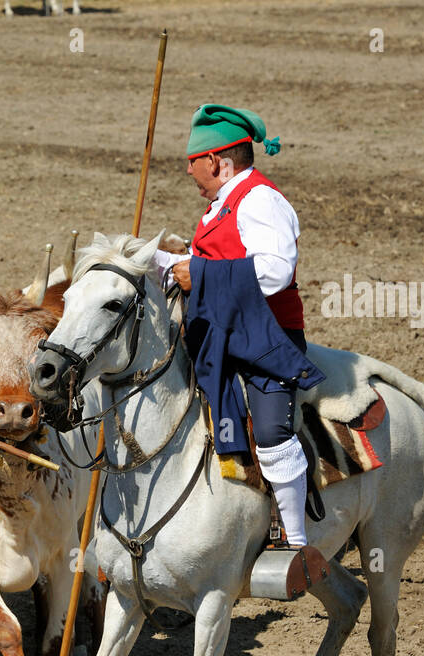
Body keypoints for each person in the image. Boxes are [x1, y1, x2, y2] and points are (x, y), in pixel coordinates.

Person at [157, 104, 322, 550]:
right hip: (225, 333)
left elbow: (275, 270)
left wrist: (202, 275)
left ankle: (294, 538)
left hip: (266, 339)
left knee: (270, 433)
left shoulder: (260, 200)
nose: (188, 171)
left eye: (191, 162)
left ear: (214, 160)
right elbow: (212, 265)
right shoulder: (220, 207)